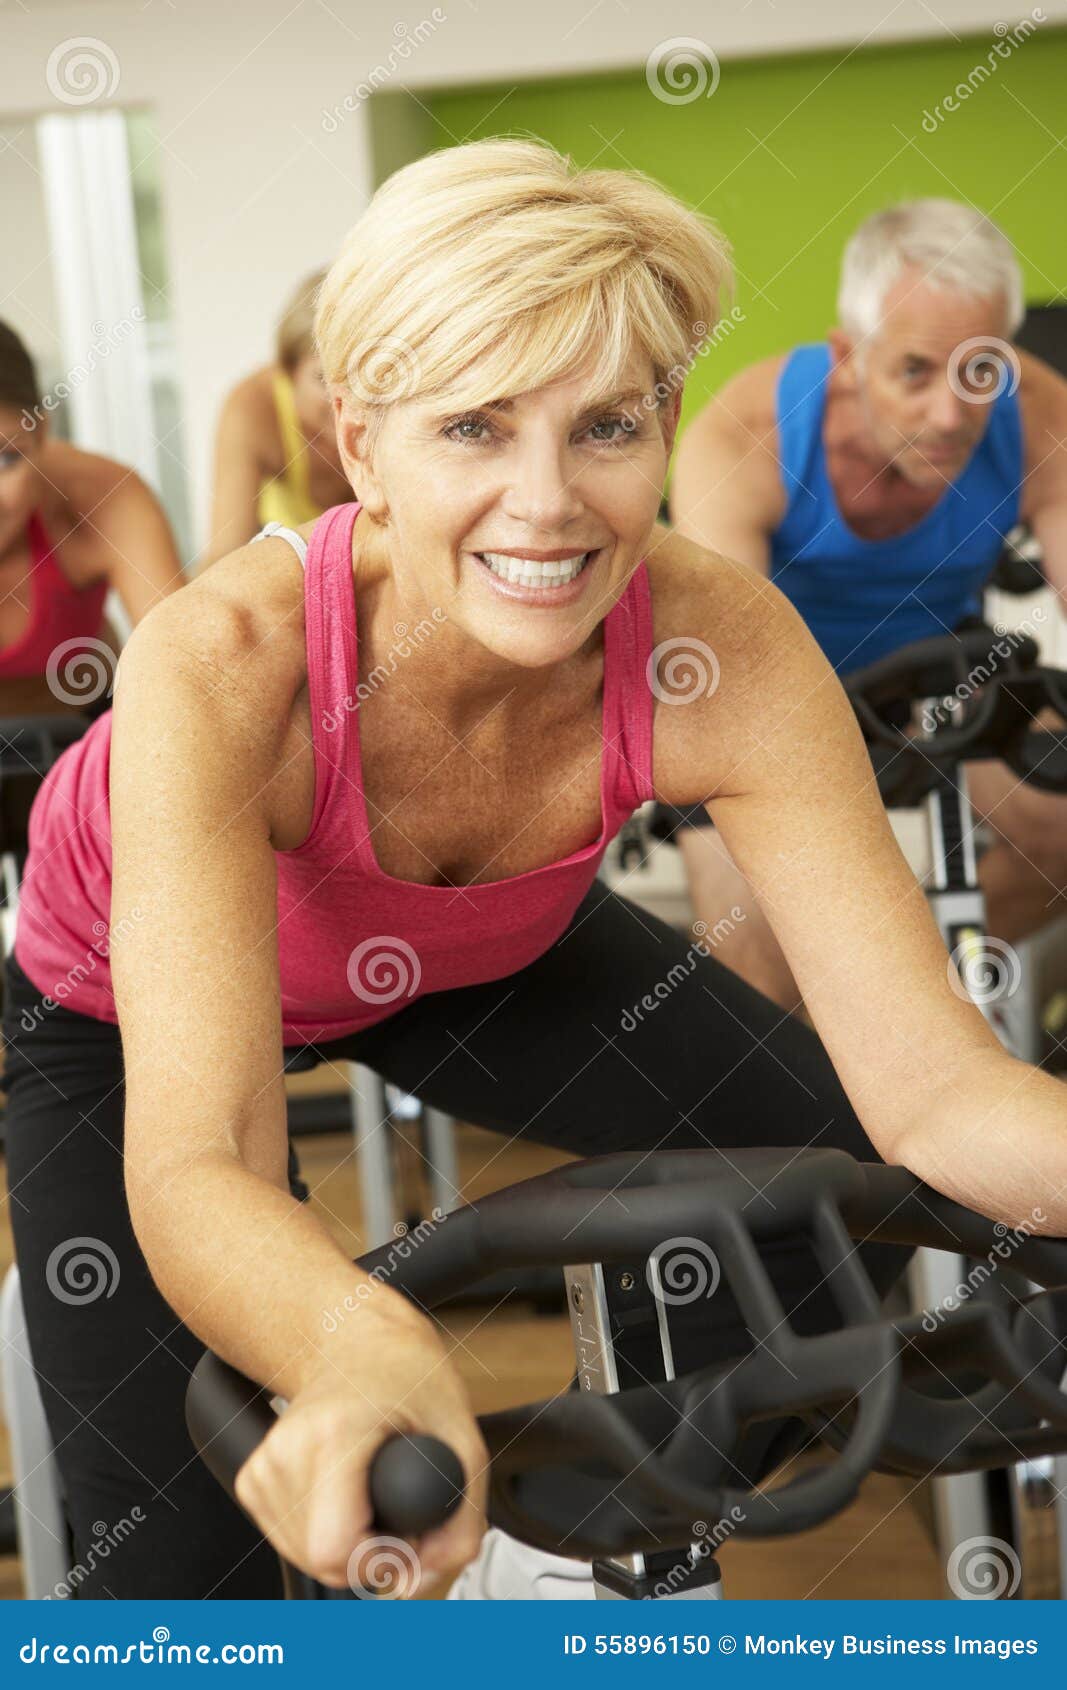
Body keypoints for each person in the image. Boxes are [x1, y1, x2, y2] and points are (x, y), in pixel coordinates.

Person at [3, 139, 1066, 1605]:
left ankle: (591, 1552)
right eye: (473, 428)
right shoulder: (226, 662)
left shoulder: (716, 646)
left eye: (605, 426)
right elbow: (209, 1160)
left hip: (476, 947)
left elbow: (936, 1094)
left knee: (807, 1175)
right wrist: (364, 1345)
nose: (546, 503)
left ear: (663, 423)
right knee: (184, 1582)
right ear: (361, 444)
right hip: (118, 1013)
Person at [662, 201, 1067, 1009]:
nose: (949, 416)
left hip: (940, 666)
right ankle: (837, 1016)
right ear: (849, 356)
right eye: (914, 371)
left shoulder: (1038, 416)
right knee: (758, 966)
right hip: (760, 692)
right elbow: (731, 666)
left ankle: (907, 1006)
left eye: (980, 371)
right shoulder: (745, 436)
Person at [0, 320, 184, 717]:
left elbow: (188, 664)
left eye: (6, 459)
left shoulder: (100, 495)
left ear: (41, 433)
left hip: (91, 724)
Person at [202, 269, 351, 568]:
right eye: (323, 379)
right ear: (288, 372)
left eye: (359, 376)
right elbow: (223, 559)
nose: (347, 399)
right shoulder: (251, 410)